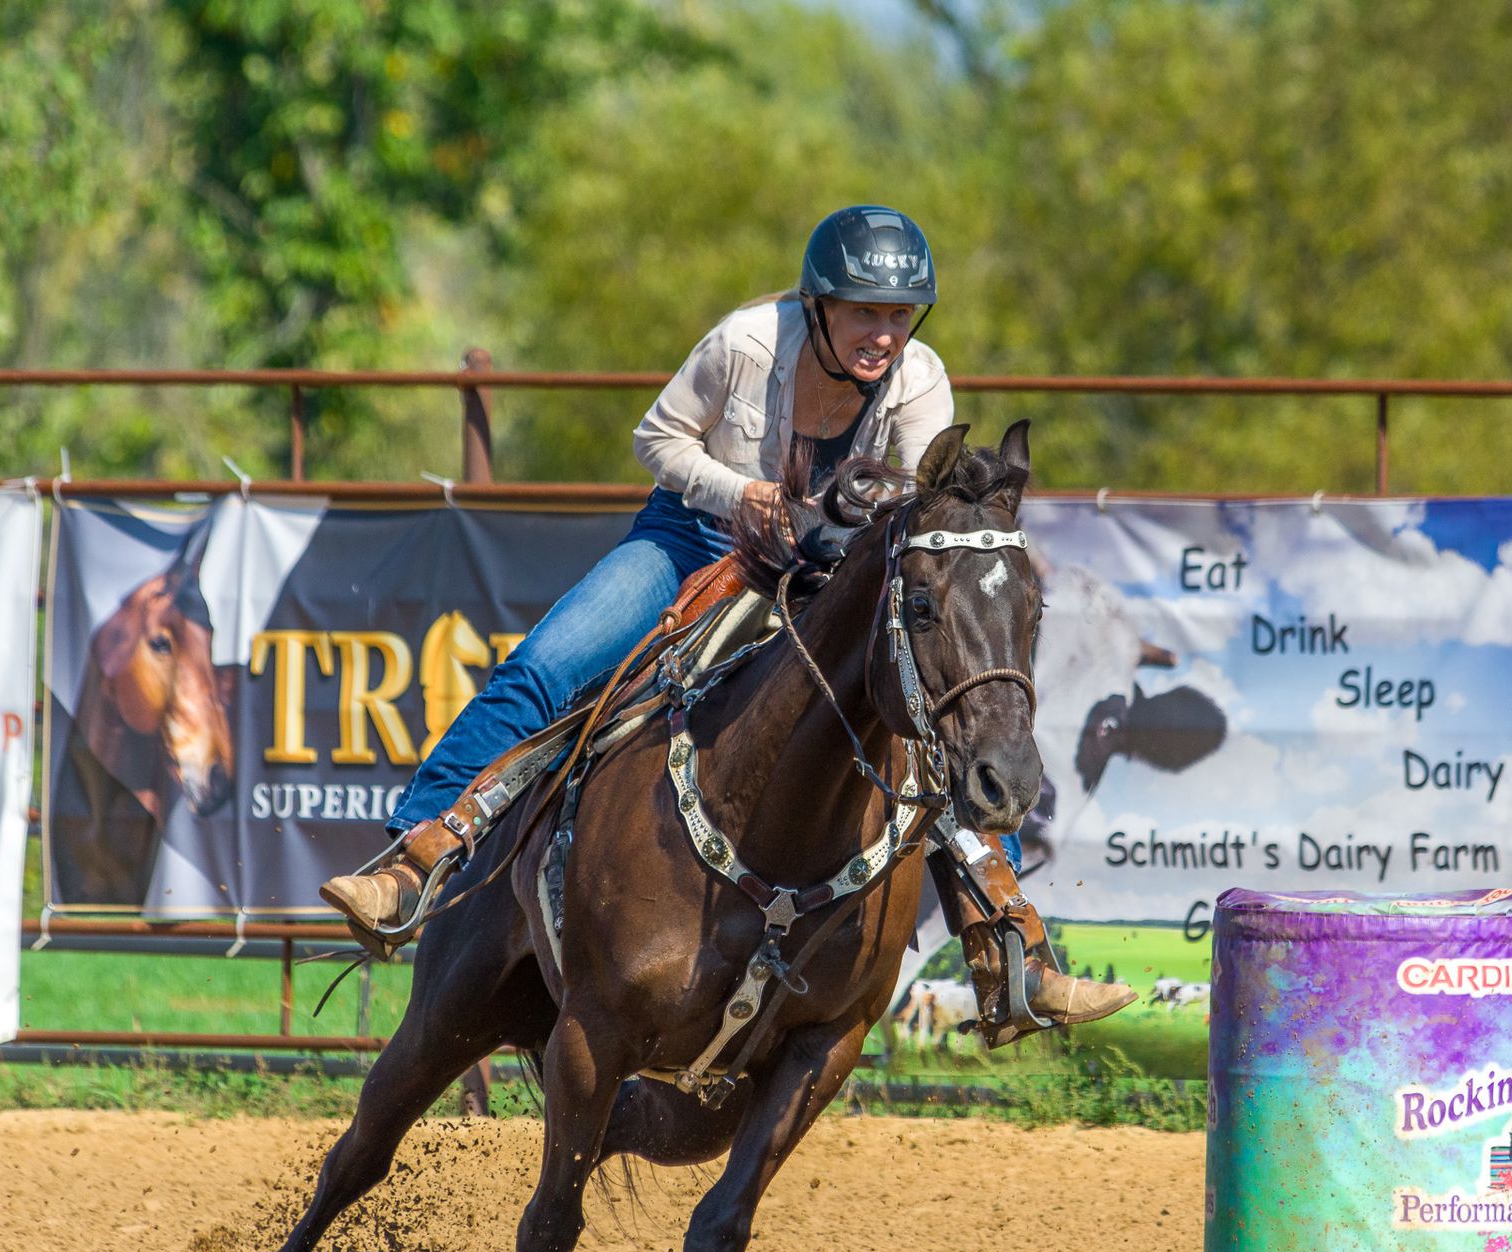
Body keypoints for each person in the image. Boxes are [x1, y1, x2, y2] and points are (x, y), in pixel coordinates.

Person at [319, 205, 1134, 1038]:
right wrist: (744, 494)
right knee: (548, 666)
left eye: (899, 314)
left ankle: (1011, 950)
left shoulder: (920, 377)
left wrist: (865, 511)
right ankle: (412, 863)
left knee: (927, 710)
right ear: (819, 305)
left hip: (824, 566)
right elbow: (658, 439)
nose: (884, 334)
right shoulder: (744, 344)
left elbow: (924, 505)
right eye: (864, 311)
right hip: (692, 540)